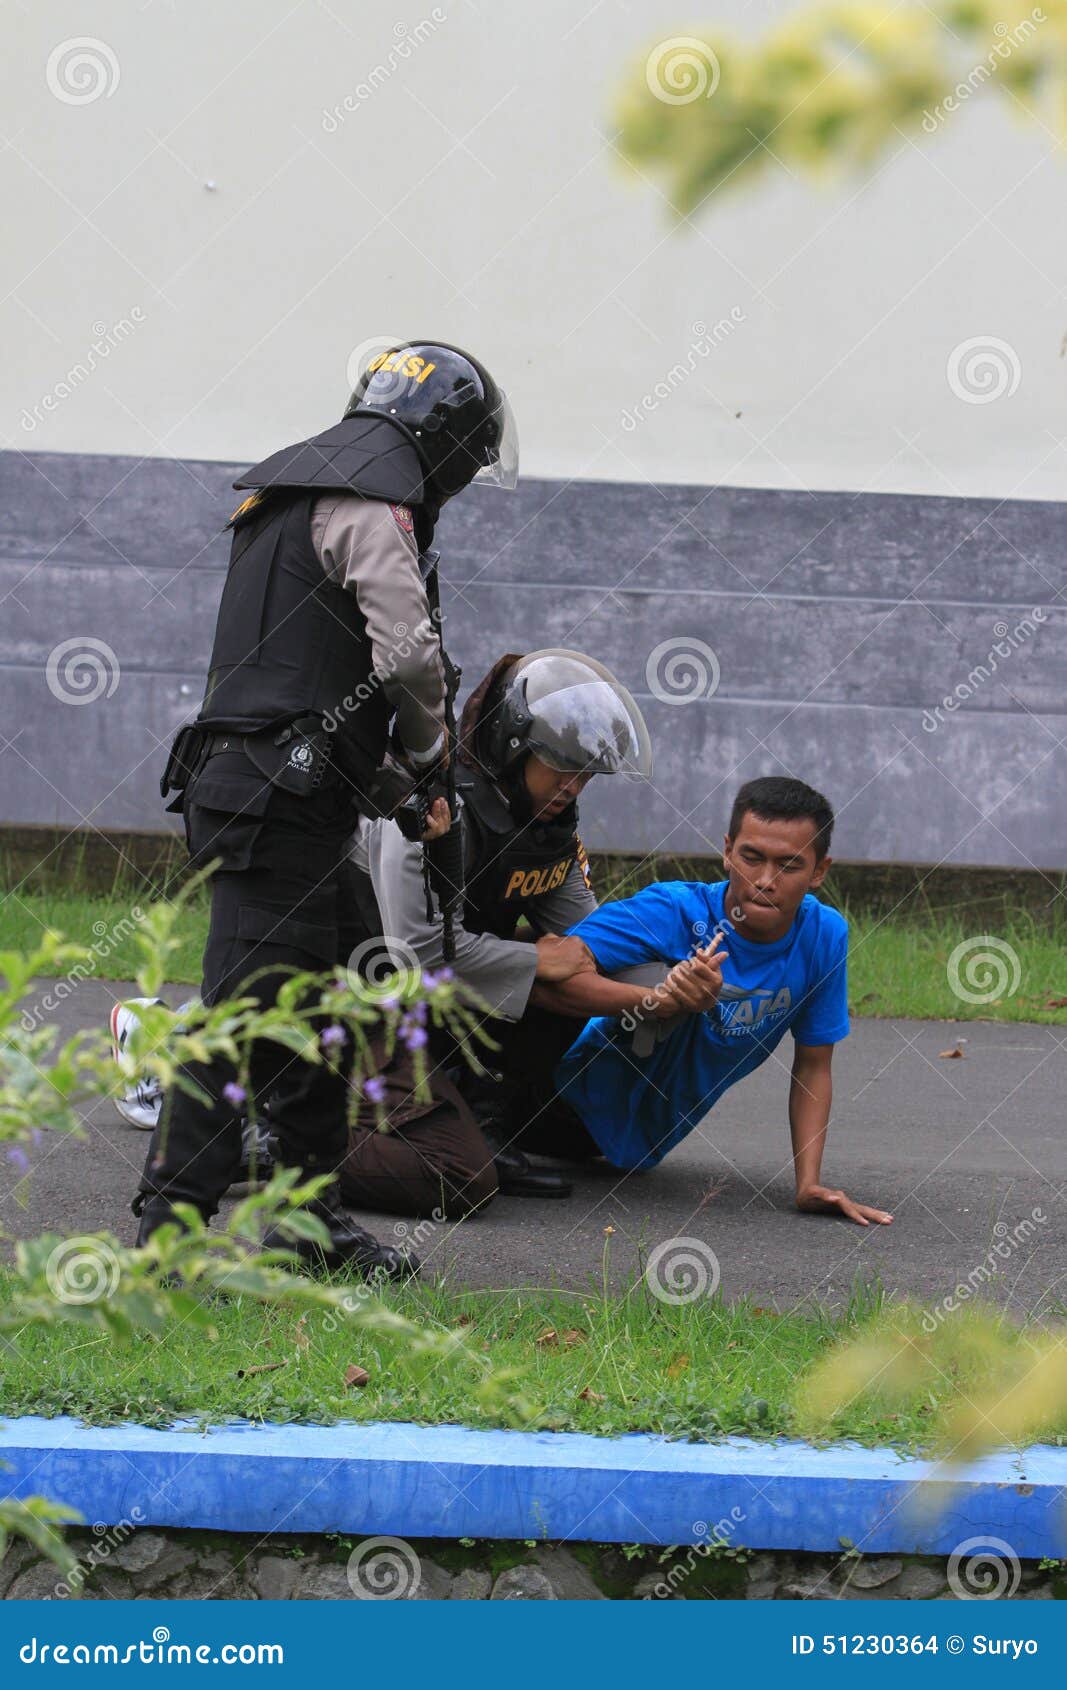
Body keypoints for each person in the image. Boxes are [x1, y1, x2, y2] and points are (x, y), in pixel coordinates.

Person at [132, 341, 518, 1277]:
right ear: (445, 444)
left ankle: (309, 1227)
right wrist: (428, 757)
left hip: (270, 790)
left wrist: (393, 793)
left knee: (340, 994)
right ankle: (168, 1240)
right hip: (278, 807)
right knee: (244, 1020)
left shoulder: (286, 499)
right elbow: (407, 659)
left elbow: (303, 689)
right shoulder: (373, 504)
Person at [525, 776, 894, 1228]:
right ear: (727, 851)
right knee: (656, 976)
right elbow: (540, 974)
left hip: (633, 1147)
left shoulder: (824, 935)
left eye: (789, 865)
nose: (765, 881)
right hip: (550, 1097)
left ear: (819, 871)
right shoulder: (672, 909)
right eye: (751, 858)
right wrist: (657, 999)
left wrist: (808, 1184)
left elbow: (814, 1065)